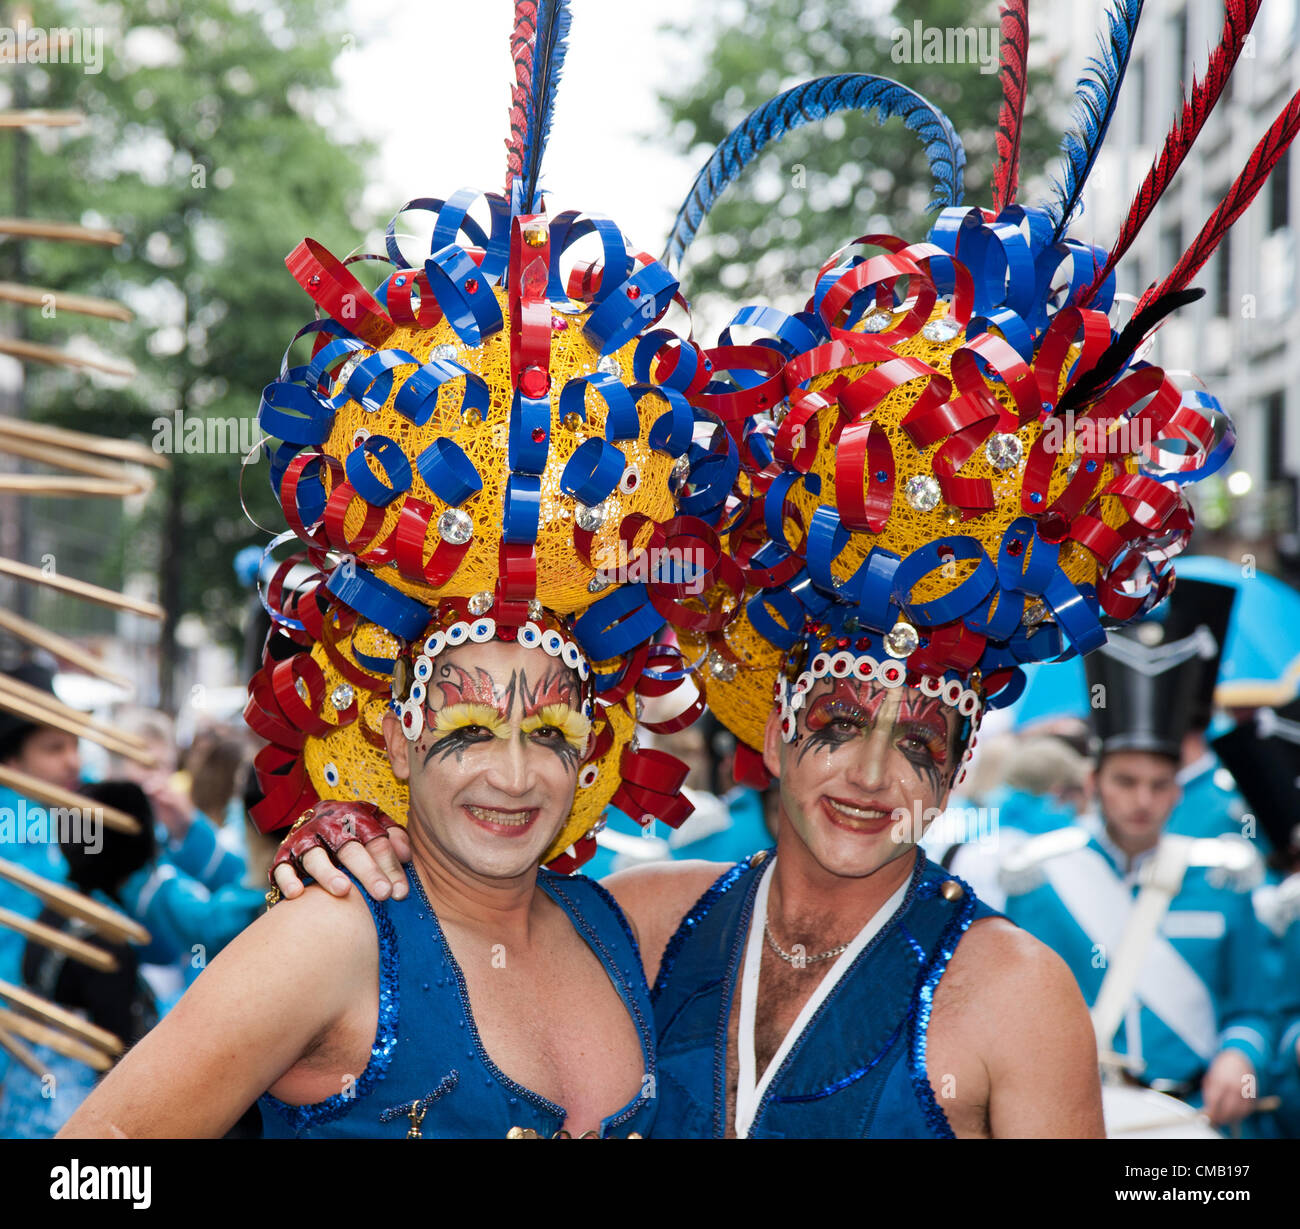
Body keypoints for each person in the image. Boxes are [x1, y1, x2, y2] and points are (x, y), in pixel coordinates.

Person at [60, 4, 717, 1138]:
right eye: (465, 729)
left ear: (596, 744)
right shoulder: (334, 933)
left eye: (550, 731)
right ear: (399, 732)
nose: (513, 771)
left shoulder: (621, 927)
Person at [999, 611, 1274, 1132]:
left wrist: (1241, 1059)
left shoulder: (1224, 879)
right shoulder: (1038, 879)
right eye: (1126, 781)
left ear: (1178, 788)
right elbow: (1013, 1017)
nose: (1143, 800)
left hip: (1192, 1121)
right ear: (1094, 781)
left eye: (1158, 783)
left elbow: (1253, 1011)